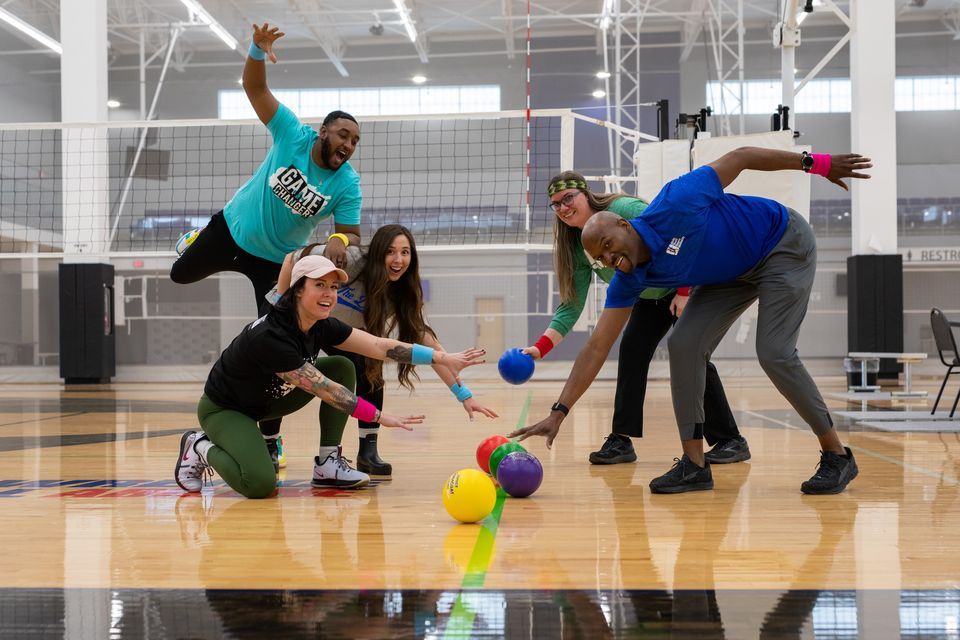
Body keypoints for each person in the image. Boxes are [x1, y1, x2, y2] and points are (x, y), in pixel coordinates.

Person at [510, 147, 872, 495]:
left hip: (780, 243)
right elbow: (597, 347)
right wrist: (559, 413)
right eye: (600, 256)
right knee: (683, 344)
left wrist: (817, 163)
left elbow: (741, 157)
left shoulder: (676, 200)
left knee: (774, 352)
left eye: (608, 243)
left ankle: (836, 455)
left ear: (624, 223)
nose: (609, 256)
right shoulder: (628, 277)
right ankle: (695, 464)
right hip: (728, 275)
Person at [170, 22, 363, 464]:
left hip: (275, 262)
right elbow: (254, 89)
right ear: (322, 132)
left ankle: (271, 439)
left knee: (279, 346)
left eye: (355, 141)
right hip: (231, 231)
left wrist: (335, 237)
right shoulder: (291, 134)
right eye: (343, 136)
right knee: (180, 275)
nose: (349, 146)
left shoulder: (347, 182)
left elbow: (351, 233)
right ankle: (195, 238)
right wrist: (256, 49)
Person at [174, 254, 485, 498]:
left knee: (342, 364)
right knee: (258, 484)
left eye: (334, 287)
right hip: (226, 409)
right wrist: (380, 416)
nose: (329, 294)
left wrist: (443, 356)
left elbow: (379, 345)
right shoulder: (271, 337)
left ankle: (327, 464)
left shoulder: (319, 324)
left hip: (266, 400)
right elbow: (325, 389)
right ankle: (198, 445)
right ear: (298, 290)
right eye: (319, 285)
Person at [518, 172, 746, 466]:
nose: (562, 208)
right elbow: (572, 305)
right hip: (646, 297)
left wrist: (684, 290)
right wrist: (539, 348)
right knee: (631, 352)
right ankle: (621, 440)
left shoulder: (624, 210)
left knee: (692, 355)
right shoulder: (578, 247)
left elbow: (677, 234)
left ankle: (730, 440)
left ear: (585, 194)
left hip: (684, 283)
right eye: (555, 204)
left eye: (568, 198)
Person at [269, 224, 499, 479]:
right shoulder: (351, 260)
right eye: (391, 252)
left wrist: (463, 394)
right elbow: (291, 259)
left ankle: (368, 450)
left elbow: (430, 347)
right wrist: (281, 305)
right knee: (279, 376)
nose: (398, 259)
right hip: (304, 322)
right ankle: (269, 443)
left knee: (371, 371)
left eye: (405, 252)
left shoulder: (402, 292)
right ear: (378, 252)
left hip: (341, 332)